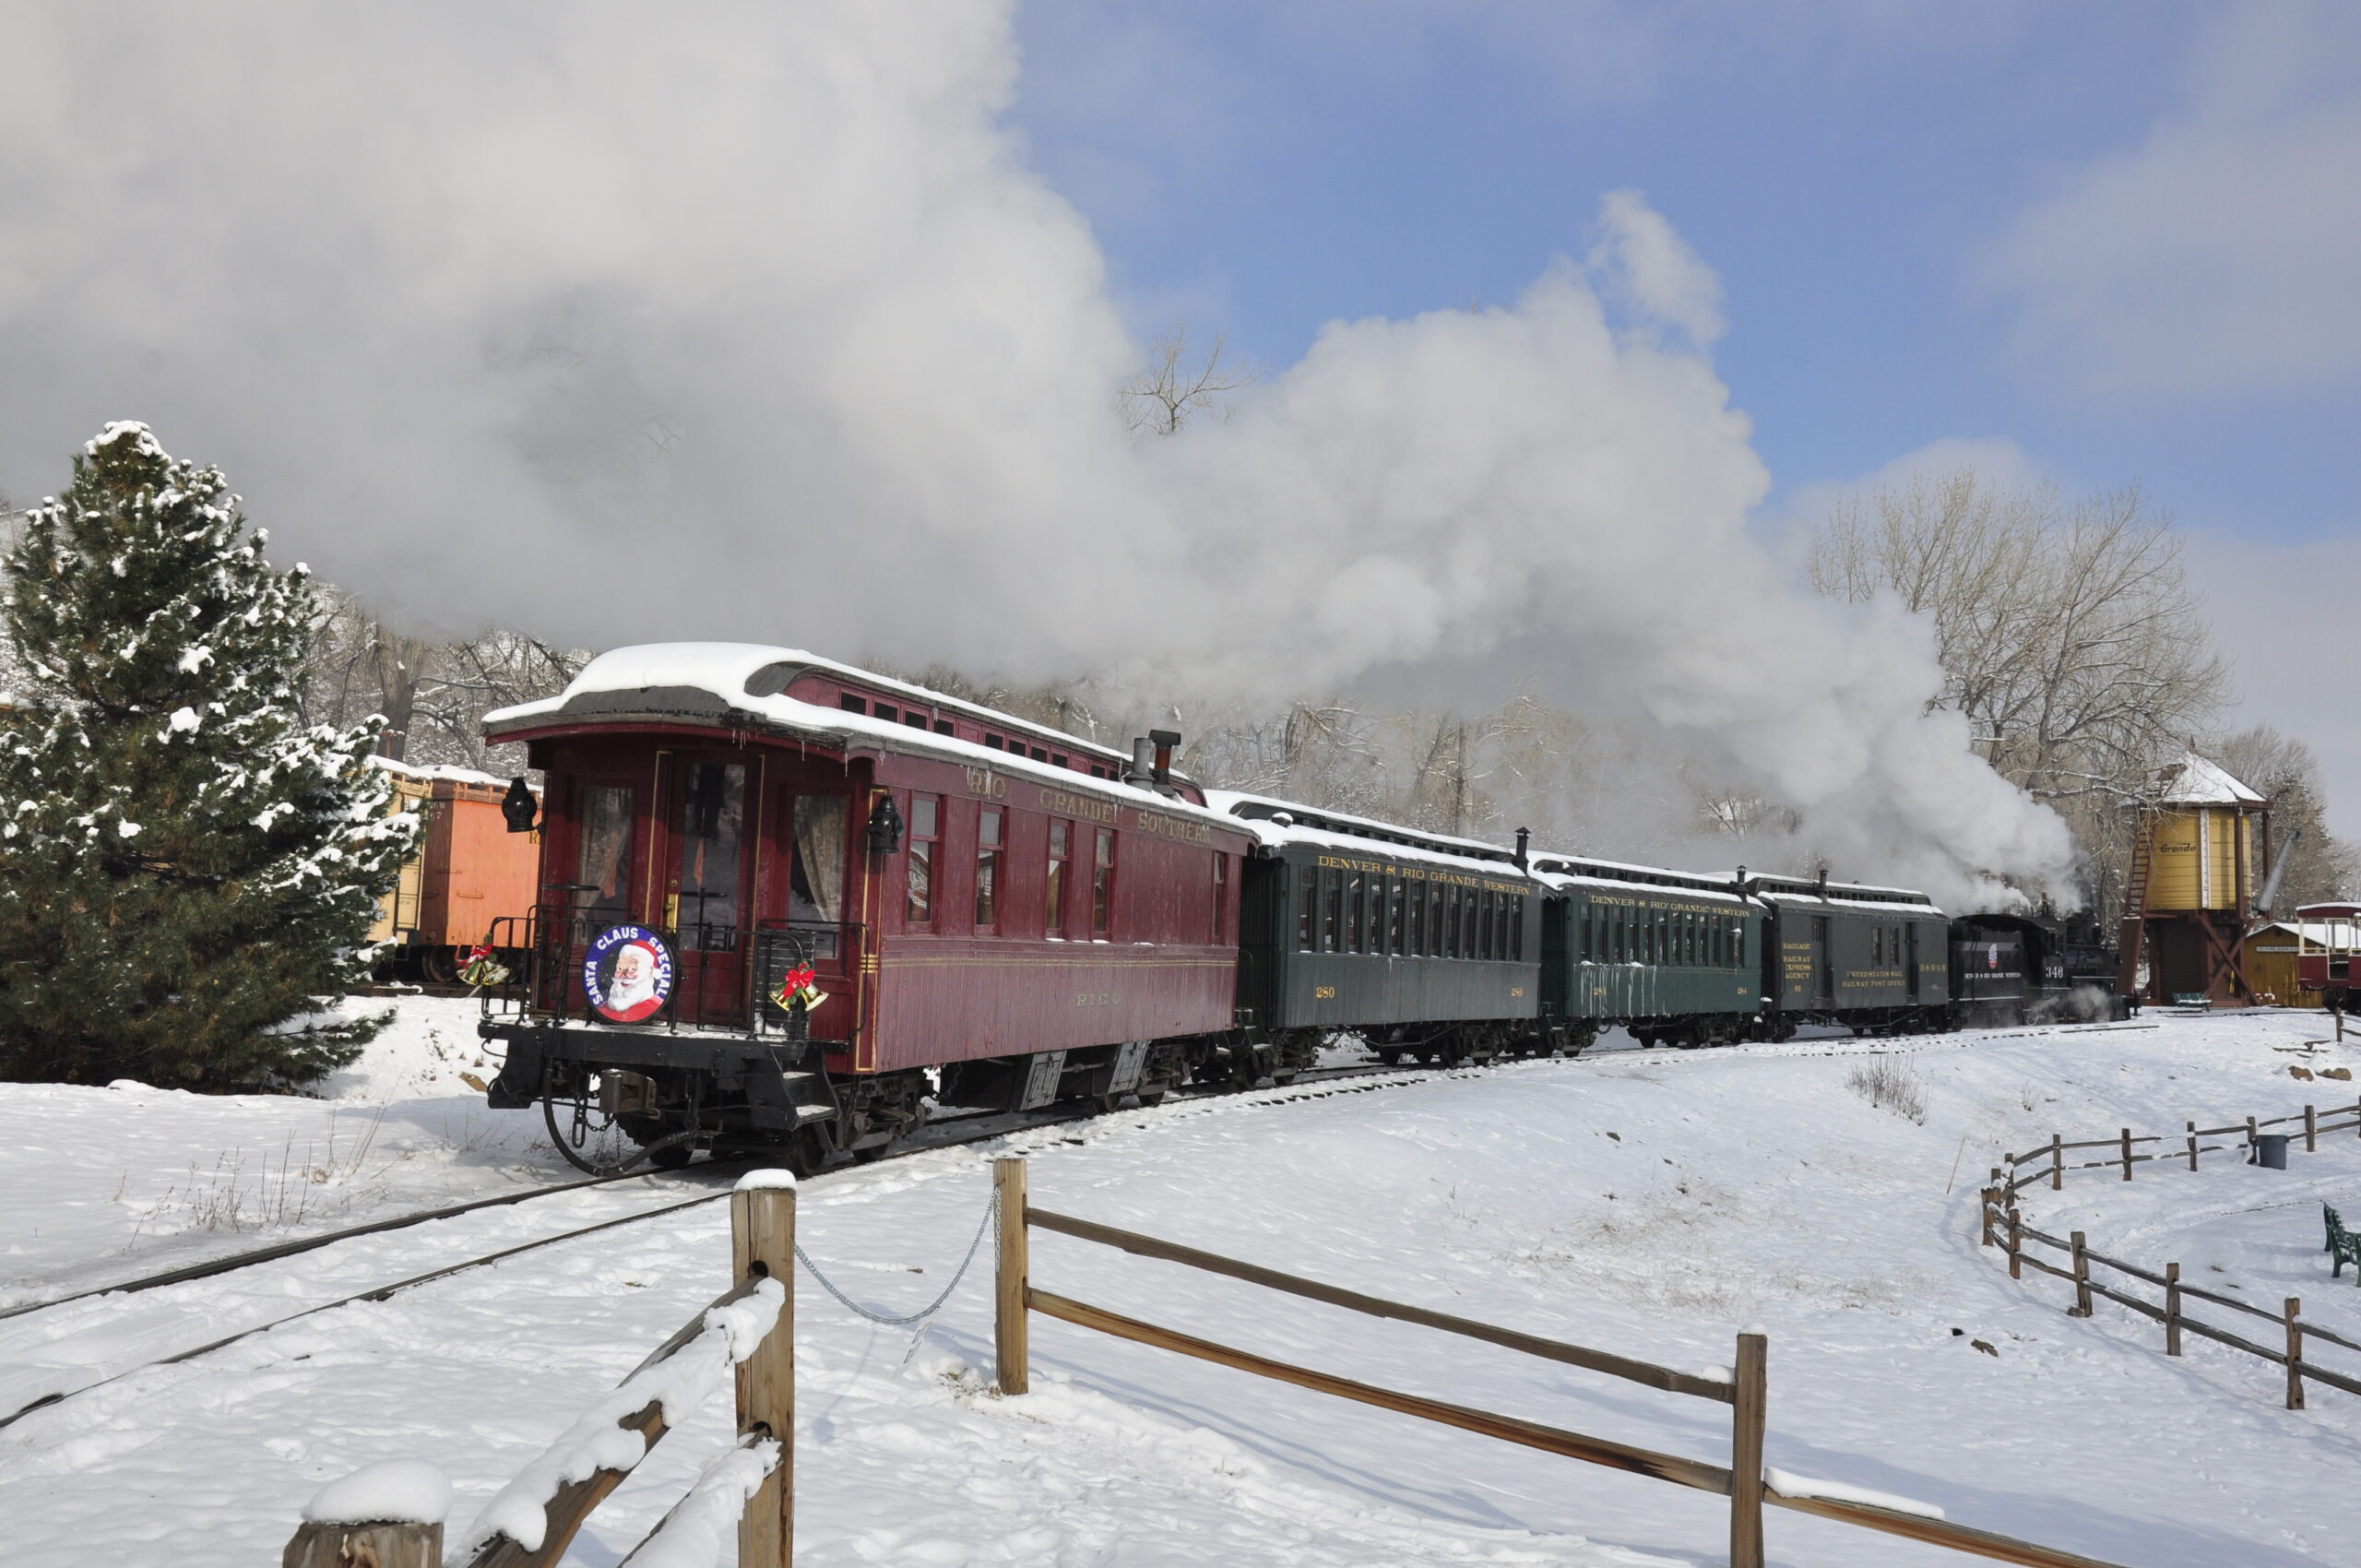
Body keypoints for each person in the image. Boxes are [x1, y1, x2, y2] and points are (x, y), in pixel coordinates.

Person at [599, 938, 666, 1022]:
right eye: (619, 968)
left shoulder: (656, 1008)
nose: (623, 975)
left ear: (650, 971)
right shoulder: (603, 1010)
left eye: (632, 969)